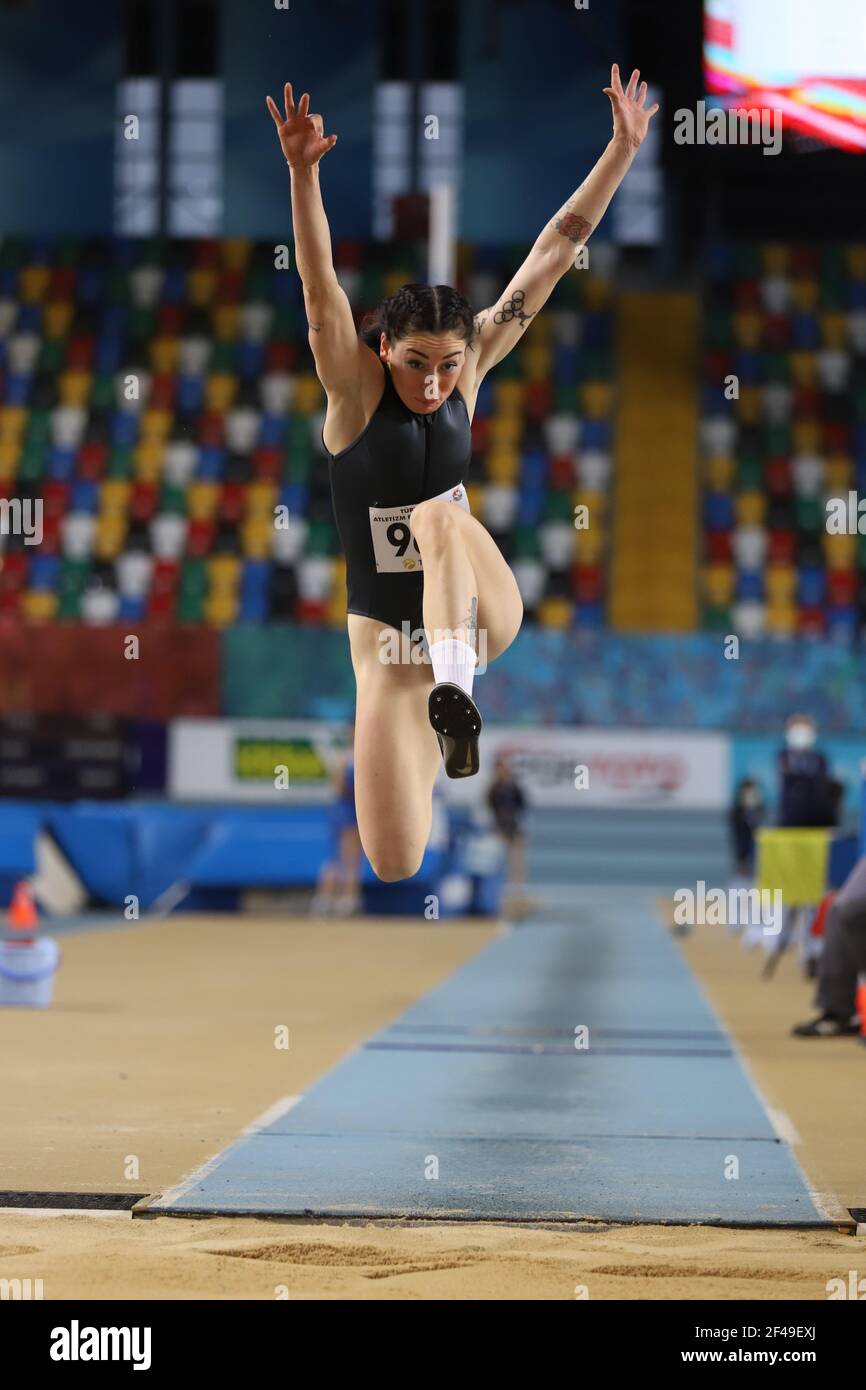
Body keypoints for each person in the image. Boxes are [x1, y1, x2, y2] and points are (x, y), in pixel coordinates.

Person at [266, 66, 657, 882]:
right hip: (386, 644)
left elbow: (554, 252)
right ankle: (443, 709)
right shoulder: (352, 387)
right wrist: (303, 175)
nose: (437, 384)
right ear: (384, 349)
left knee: (442, 512)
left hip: (478, 617)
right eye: (418, 366)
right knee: (398, 860)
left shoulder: (474, 361)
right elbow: (318, 288)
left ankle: (459, 700)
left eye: (448, 366)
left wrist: (621, 151)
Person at [309, 728, 361, 916]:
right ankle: (337, 899)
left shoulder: (348, 757)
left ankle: (339, 899)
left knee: (347, 858)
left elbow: (336, 786)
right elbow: (338, 787)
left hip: (347, 810)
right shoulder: (347, 758)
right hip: (347, 810)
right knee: (346, 858)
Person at [487, 753, 530, 913]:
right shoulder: (493, 788)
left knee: (517, 859)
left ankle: (518, 888)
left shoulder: (514, 787)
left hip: (514, 825)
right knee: (497, 859)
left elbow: (523, 806)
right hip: (499, 827)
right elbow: (489, 807)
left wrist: (521, 827)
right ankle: (498, 888)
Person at [730, 776, 765, 876]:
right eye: (747, 793)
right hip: (743, 858)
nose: (750, 796)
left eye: (753, 793)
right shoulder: (737, 813)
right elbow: (740, 839)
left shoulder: (760, 811)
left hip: (757, 860)